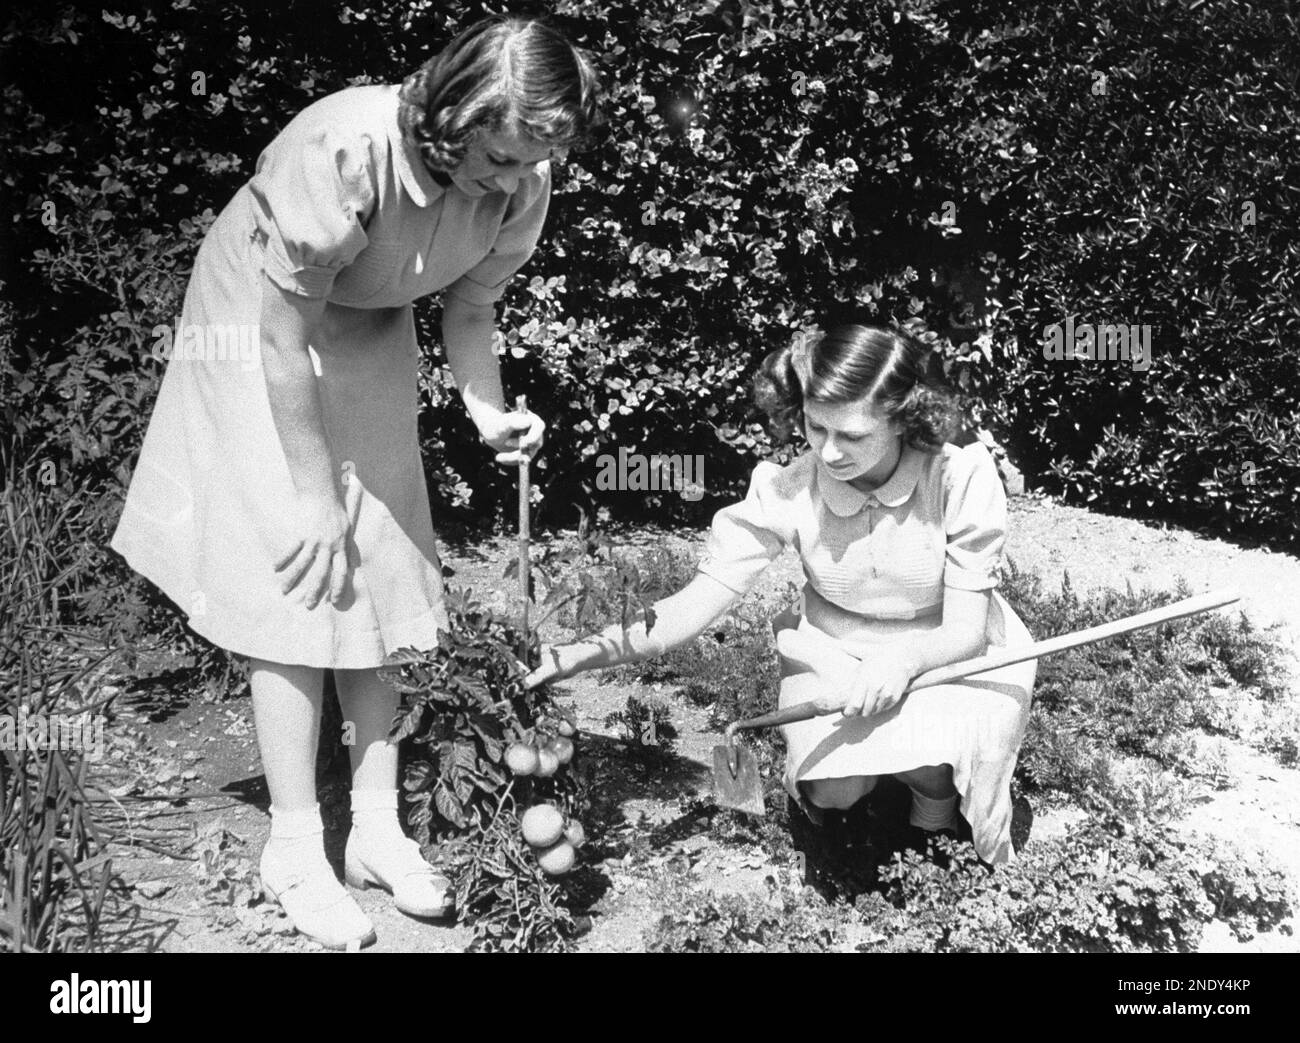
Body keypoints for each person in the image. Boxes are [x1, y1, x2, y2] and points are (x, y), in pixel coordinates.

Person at [110, 15, 600, 948]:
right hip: (260, 323)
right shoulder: (343, 145)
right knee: (308, 568)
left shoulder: (521, 176)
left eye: (528, 162)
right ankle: (295, 846)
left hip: (365, 319)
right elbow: (281, 331)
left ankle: (376, 828)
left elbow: (470, 308)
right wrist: (309, 492)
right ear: (452, 114)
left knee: (385, 559)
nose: (510, 181)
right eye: (496, 156)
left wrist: (486, 408)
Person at [527, 324, 1036, 865]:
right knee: (833, 788)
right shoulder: (789, 488)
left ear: (902, 419)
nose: (831, 452)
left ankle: (930, 811)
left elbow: (965, 629)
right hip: (835, 644)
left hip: (945, 646)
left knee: (937, 757)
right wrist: (576, 655)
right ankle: (867, 791)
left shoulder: (957, 479)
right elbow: (689, 607)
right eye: (817, 428)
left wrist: (906, 660)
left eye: (855, 436)